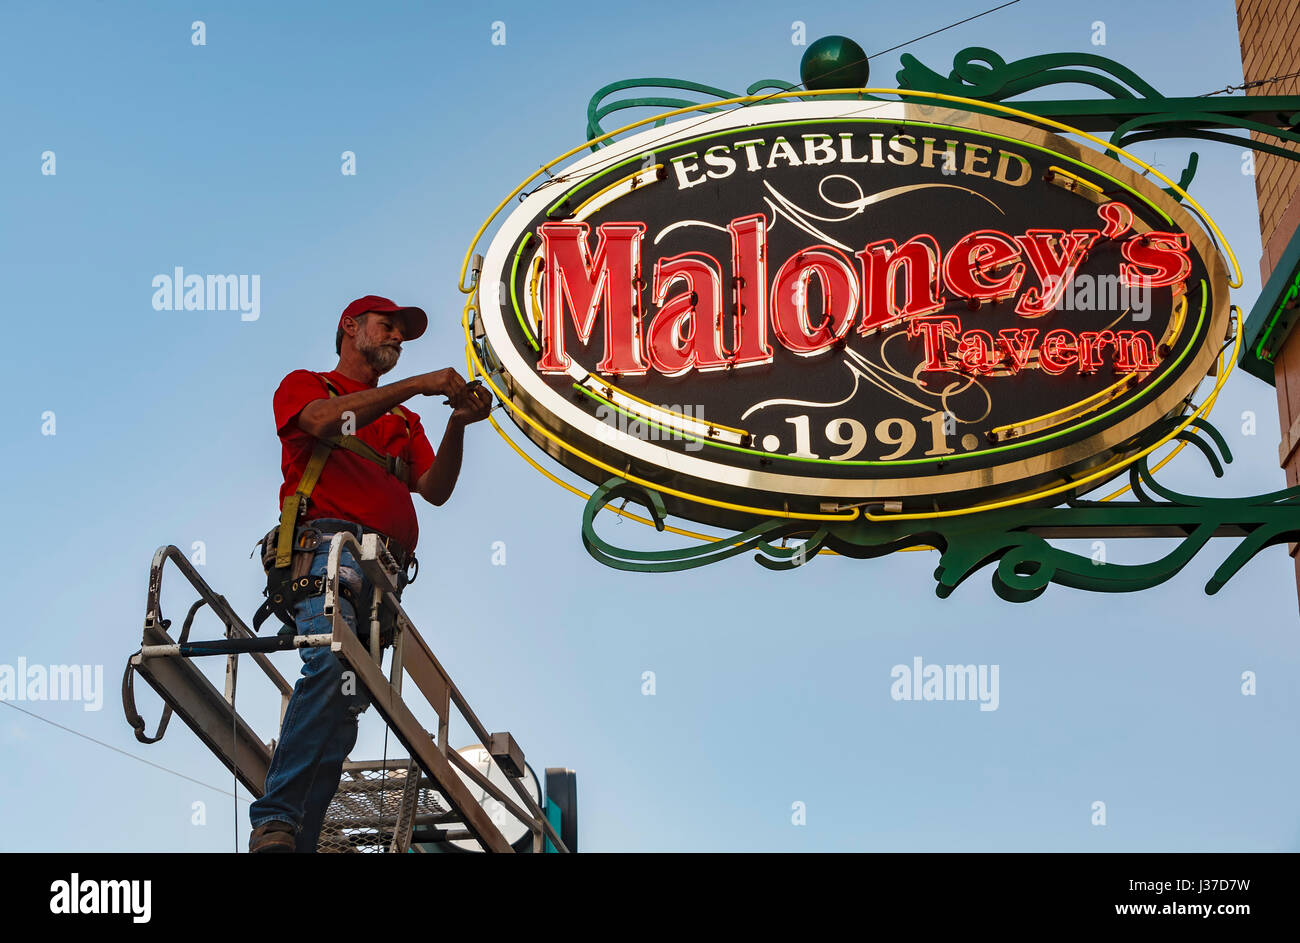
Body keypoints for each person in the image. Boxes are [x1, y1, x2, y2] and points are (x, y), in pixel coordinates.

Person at [247, 295, 491, 853]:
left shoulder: (403, 421)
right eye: (389, 327)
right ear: (349, 327)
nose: (398, 339)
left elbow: (434, 489)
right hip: (325, 551)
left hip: (382, 577)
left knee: (346, 707)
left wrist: (456, 424)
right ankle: (277, 818)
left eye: (403, 334)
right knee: (331, 665)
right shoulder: (311, 385)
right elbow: (322, 422)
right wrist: (420, 384)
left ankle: (294, 839)